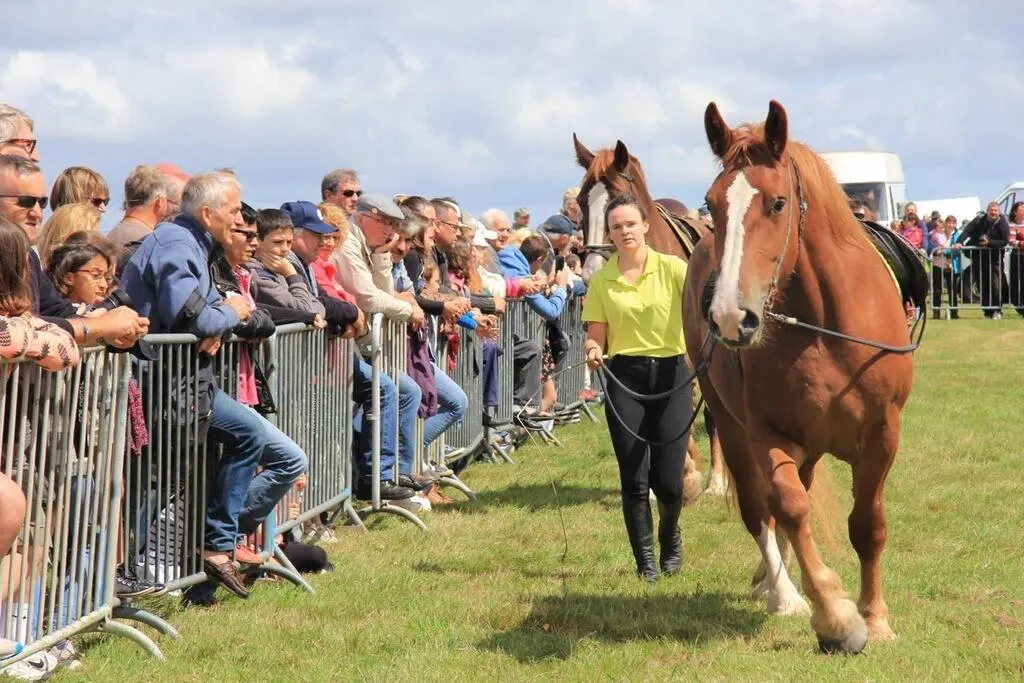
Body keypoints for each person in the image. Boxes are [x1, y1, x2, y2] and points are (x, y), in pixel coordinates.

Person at [582, 195, 692, 584]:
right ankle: (645, 562)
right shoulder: (602, 281)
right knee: (634, 477)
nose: (624, 231)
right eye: (616, 227)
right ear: (609, 234)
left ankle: (670, 536)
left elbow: (699, 311)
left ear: (645, 226)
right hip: (624, 377)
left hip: (672, 375)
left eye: (630, 224)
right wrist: (593, 350)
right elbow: (595, 335)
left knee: (671, 482)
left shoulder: (674, 268)